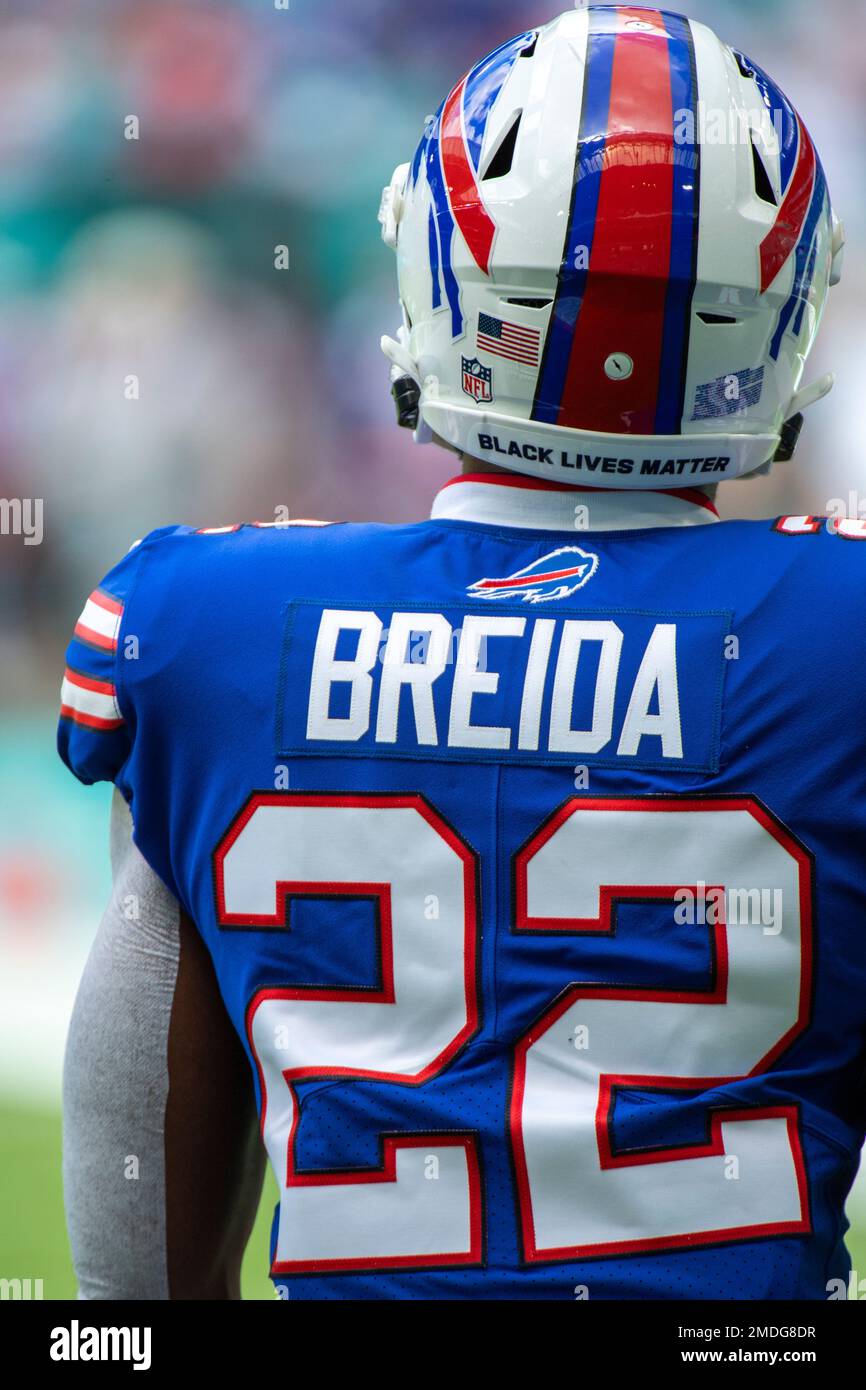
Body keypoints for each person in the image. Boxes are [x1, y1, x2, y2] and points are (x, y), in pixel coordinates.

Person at [59, 4, 861, 1301]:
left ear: (443, 276)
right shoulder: (836, 629)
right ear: (775, 316)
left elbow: (128, 1280)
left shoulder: (200, 621)